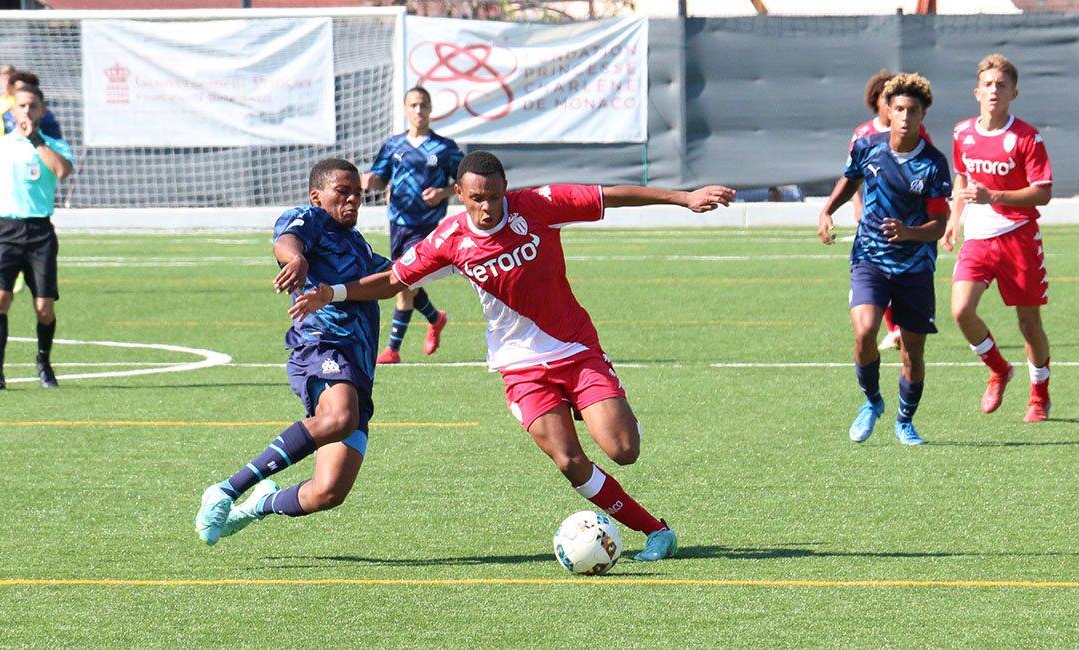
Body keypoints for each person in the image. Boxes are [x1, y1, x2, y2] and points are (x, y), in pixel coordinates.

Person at [290, 151, 736, 561]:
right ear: (459, 194)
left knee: (624, 450)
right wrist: (334, 293)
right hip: (519, 365)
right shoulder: (448, 238)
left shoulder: (538, 205)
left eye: (496, 197)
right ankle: (657, 532)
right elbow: (392, 280)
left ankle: (596, 402)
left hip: (575, 349)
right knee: (569, 460)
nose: (488, 208)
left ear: (507, 188)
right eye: (477, 199)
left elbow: (610, 195)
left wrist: (683, 198)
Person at [194, 159, 393, 546]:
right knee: (340, 417)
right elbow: (285, 242)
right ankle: (225, 490)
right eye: (343, 192)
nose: (353, 199)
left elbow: (390, 280)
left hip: (357, 367)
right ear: (317, 195)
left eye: (358, 194)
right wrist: (297, 258)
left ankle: (257, 505)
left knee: (328, 491)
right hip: (321, 345)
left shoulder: (358, 244)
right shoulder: (309, 219)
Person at [818, 73, 952, 445]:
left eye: (913, 110)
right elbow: (850, 179)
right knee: (864, 332)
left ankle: (905, 421)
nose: (905, 117)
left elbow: (939, 225)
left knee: (913, 351)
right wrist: (828, 210)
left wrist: (911, 233)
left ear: (923, 114)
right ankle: (872, 402)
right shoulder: (867, 147)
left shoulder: (934, 164)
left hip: (915, 267)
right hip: (870, 258)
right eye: (899, 109)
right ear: (887, 111)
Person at [939, 54, 1054, 423]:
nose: (994, 90)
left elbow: (1043, 192)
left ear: (1014, 93)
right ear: (976, 92)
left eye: (1001, 85)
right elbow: (962, 178)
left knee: (1029, 325)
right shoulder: (962, 133)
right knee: (960, 310)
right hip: (978, 238)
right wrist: (954, 219)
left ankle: (1039, 396)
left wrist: (996, 197)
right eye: (988, 85)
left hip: (1018, 237)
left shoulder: (1027, 137)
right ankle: (999, 369)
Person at [0, 84, 74, 391]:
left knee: (44, 307)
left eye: (32, 106)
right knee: (0, 298)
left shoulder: (53, 145)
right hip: (6, 230)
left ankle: (43, 361)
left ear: (42, 112)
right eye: (21, 106)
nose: (26, 111)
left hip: (40, 232)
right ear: (12, 110)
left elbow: (62, 171)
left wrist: (36, 139)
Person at [363, 87, 463, 364]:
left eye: (424, 105)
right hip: (398, 223)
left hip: (426, 226)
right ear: (405, 109)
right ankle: (435, 317)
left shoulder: (444, 148)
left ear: (431, 109)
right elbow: (382, 178)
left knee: (403, 281)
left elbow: (464, 181)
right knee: (406, 280)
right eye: (414, 105)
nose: (419, 110)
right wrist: (372, 182)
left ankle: (392, 350)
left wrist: (443, 193)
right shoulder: (394, 145)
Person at [850, 70, 933, 353]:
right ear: (879, 101)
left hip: (906, 219)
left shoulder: (917, 132)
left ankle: (899, 327)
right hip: (874, 218)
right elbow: (853, 176)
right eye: (889, 100)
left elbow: (927, 171)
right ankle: (892, 328)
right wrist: (857, 205)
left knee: (899, 269)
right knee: (875, 270)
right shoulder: (863, 134)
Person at [2, 71, 63, 140]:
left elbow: (55, 142)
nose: (27, 110)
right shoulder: (6, 114)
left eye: (26, 89)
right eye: (19, 90)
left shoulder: (46, 117)